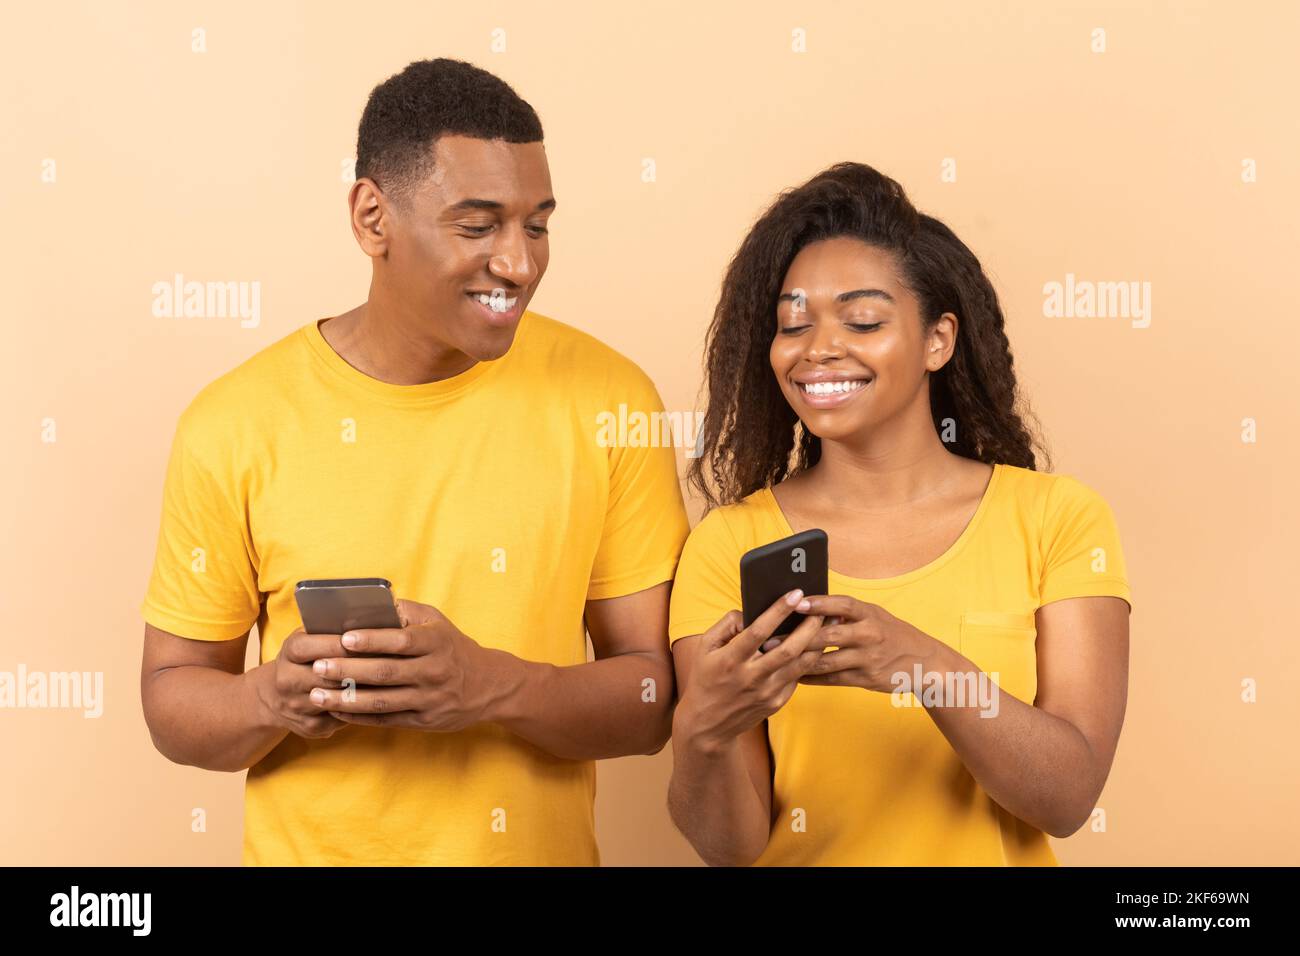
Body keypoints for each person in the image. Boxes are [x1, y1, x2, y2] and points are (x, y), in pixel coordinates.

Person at [139, 57, 689, 866]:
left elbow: (651, 697)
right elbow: (170, 699)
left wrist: (490, 687)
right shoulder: (233, 423)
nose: (520, 263)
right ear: (372, 217)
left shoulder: (613, 400)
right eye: (479, 226)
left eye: (537, 225)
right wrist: (272, 697)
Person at [665, 162, 1132, 866]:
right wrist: (704, 727)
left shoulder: (1056, 519)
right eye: (793, 323)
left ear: (938, 340)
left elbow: (1067, 798)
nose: (818, 348)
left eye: (862, 320)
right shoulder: (729, 544)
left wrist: (921, 666)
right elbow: (732, 850)